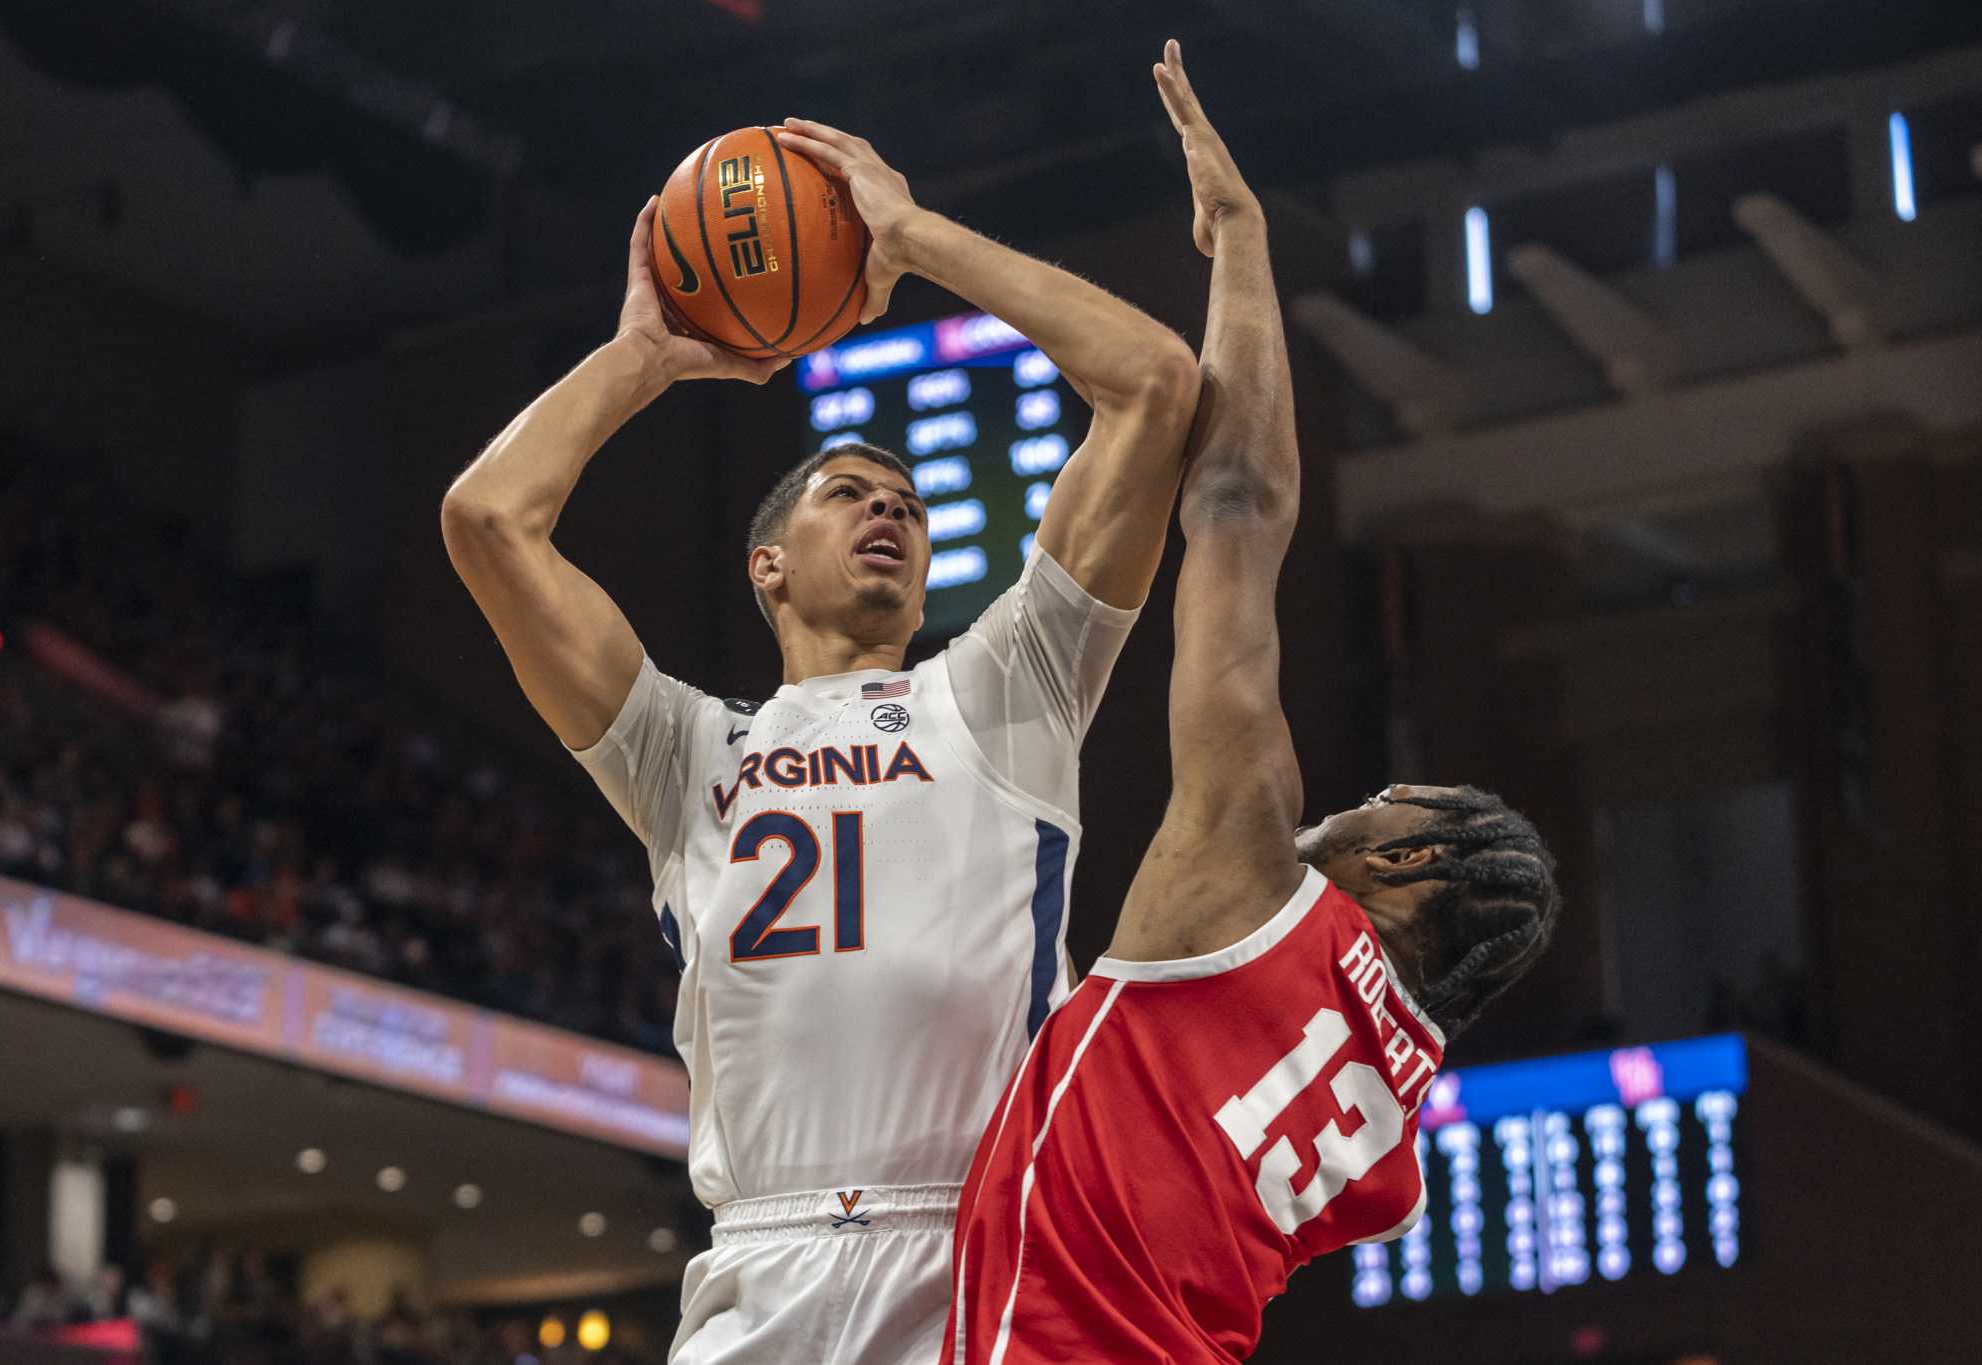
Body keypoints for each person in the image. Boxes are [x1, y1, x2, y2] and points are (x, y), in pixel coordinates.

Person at [440, 116, 1199, 1360]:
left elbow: (1153, 383)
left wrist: (912, 238)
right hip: (765, 1256)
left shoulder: (1006, 689)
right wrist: (642, 357)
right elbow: (485, 520)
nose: (887, 510)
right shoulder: (682, 751)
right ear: (768, 565)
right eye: (848, 493)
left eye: (905, 504)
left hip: (985, 1240)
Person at [941, 43, 1561, 1364]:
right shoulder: (1390, 1149)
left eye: (1377, 804)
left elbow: (1236, 510)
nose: (1338, 806)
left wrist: (1243, 246)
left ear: (1400, 861)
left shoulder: (1248, 889)